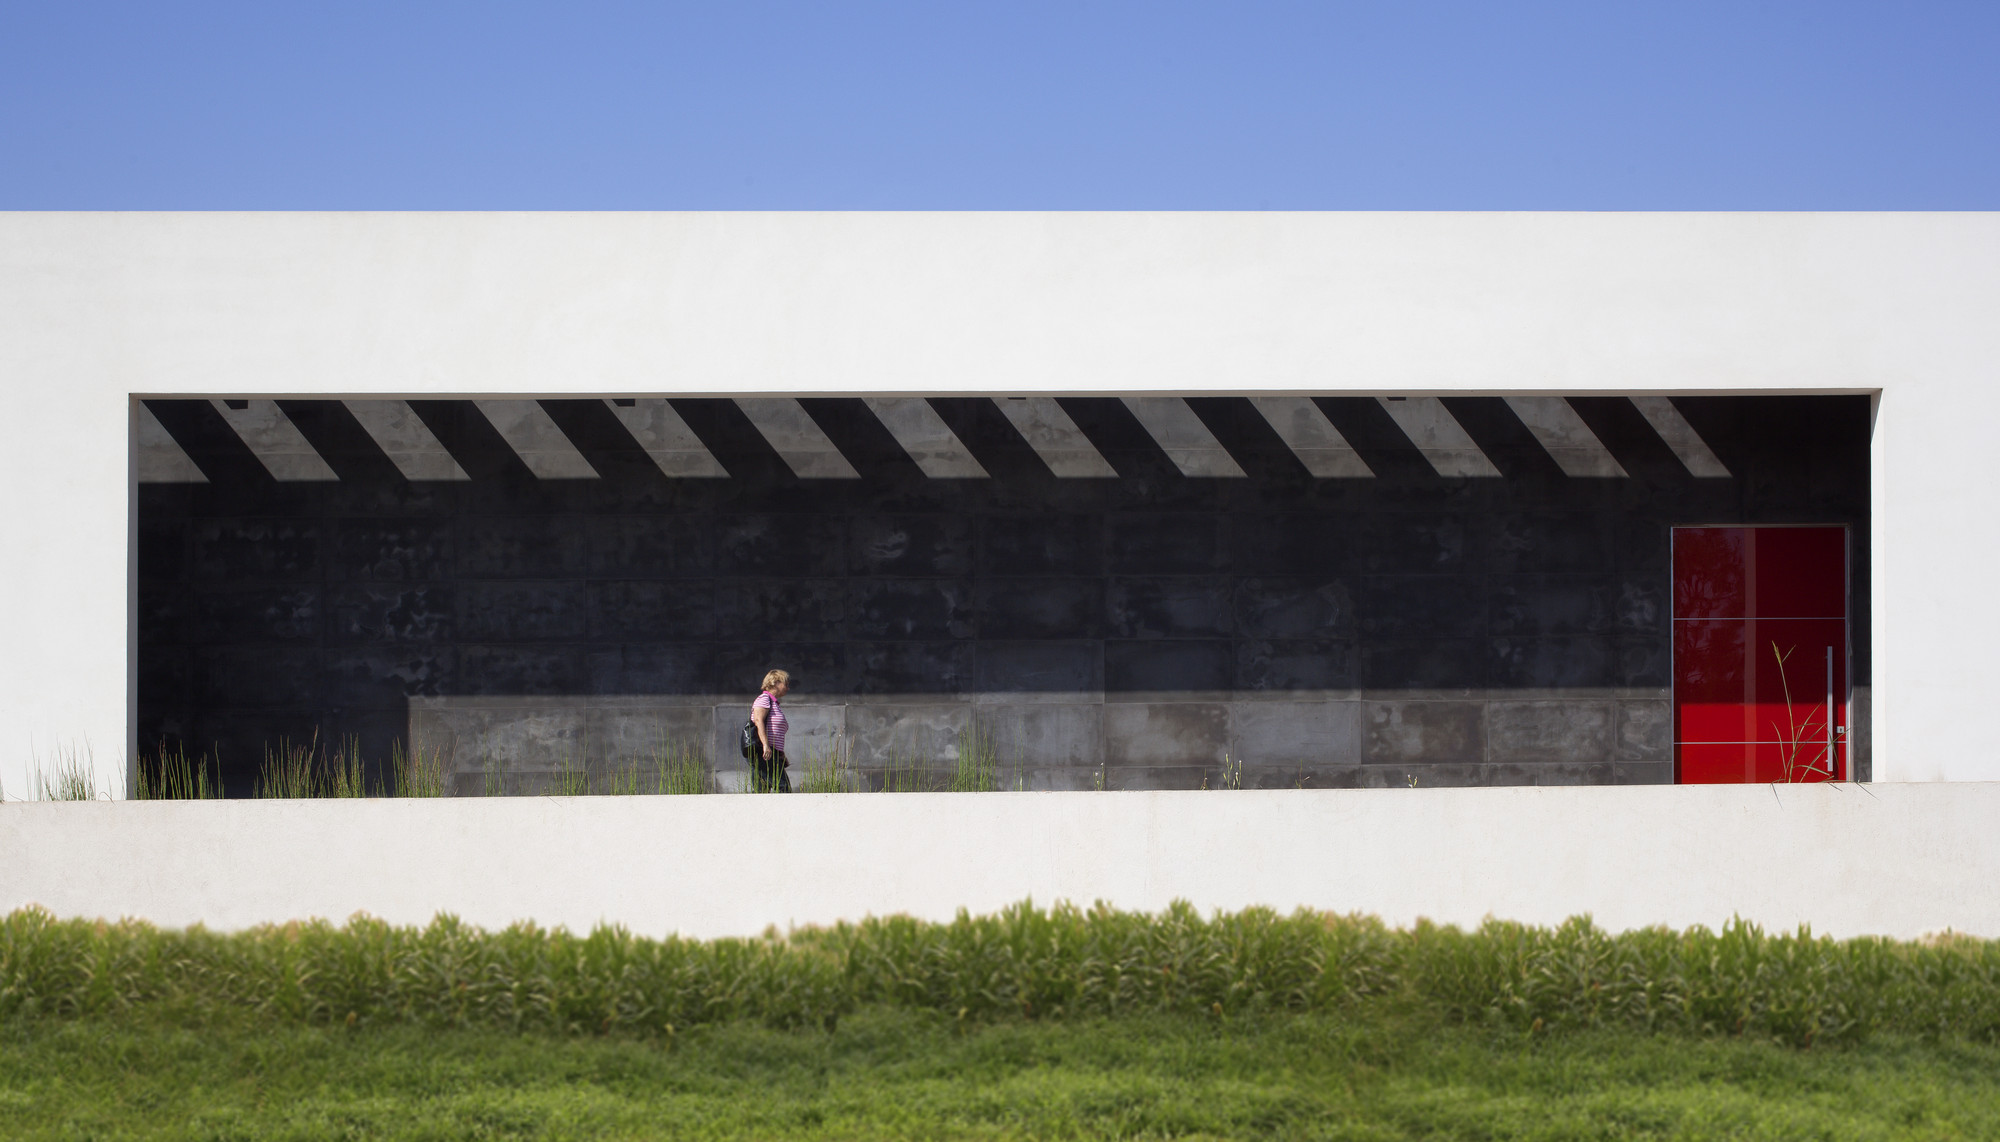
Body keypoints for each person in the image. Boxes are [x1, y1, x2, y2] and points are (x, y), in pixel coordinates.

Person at [750, 669, 792, 793]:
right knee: (783, 787)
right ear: (775, 682)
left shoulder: (773, 703)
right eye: (786, 684)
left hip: (770, 752)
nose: (788, 688)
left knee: (762, 790)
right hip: (764, 752)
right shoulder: (764, 699)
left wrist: (780, 753)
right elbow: (758, 720)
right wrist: (766, 745)